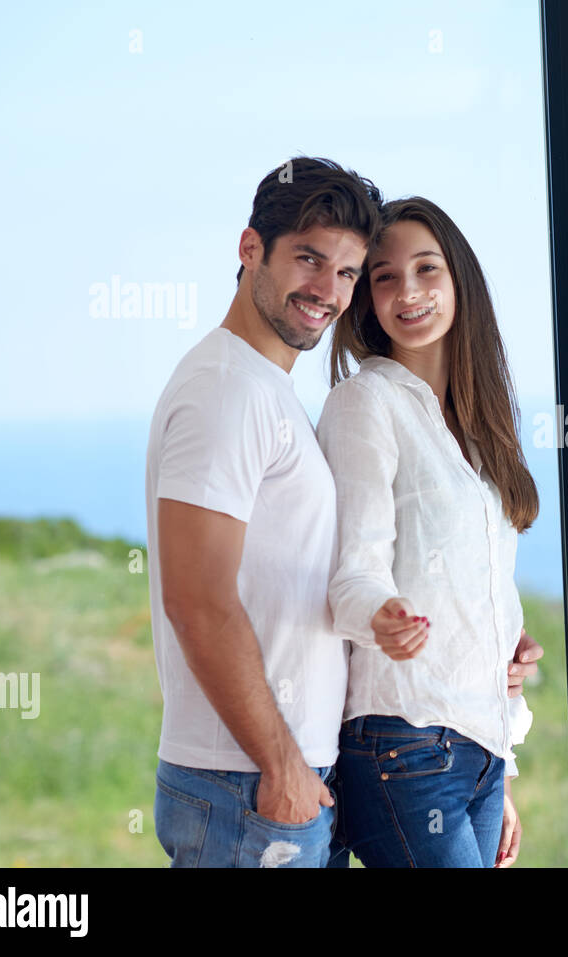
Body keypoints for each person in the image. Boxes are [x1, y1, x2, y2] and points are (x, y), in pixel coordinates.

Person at [147, 157, 379, 867]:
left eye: (346, 273)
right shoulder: (227, 389)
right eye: (309, 259)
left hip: (272, 779)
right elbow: (198, 600)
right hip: (245, 782)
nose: (327, 290)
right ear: (251, 250)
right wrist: (280, 767)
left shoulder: (263, 387)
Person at [318, 196, 540, 868]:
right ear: (366, 300)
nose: (407, 292)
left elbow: (479, 585)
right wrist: (380, 614)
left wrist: (500, 758)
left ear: (458, 280)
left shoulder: (480, 424)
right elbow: (352, 573)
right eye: (384, 276)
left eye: (426, 268)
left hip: (477, 746)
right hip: (404, 741)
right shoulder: (366, 403)